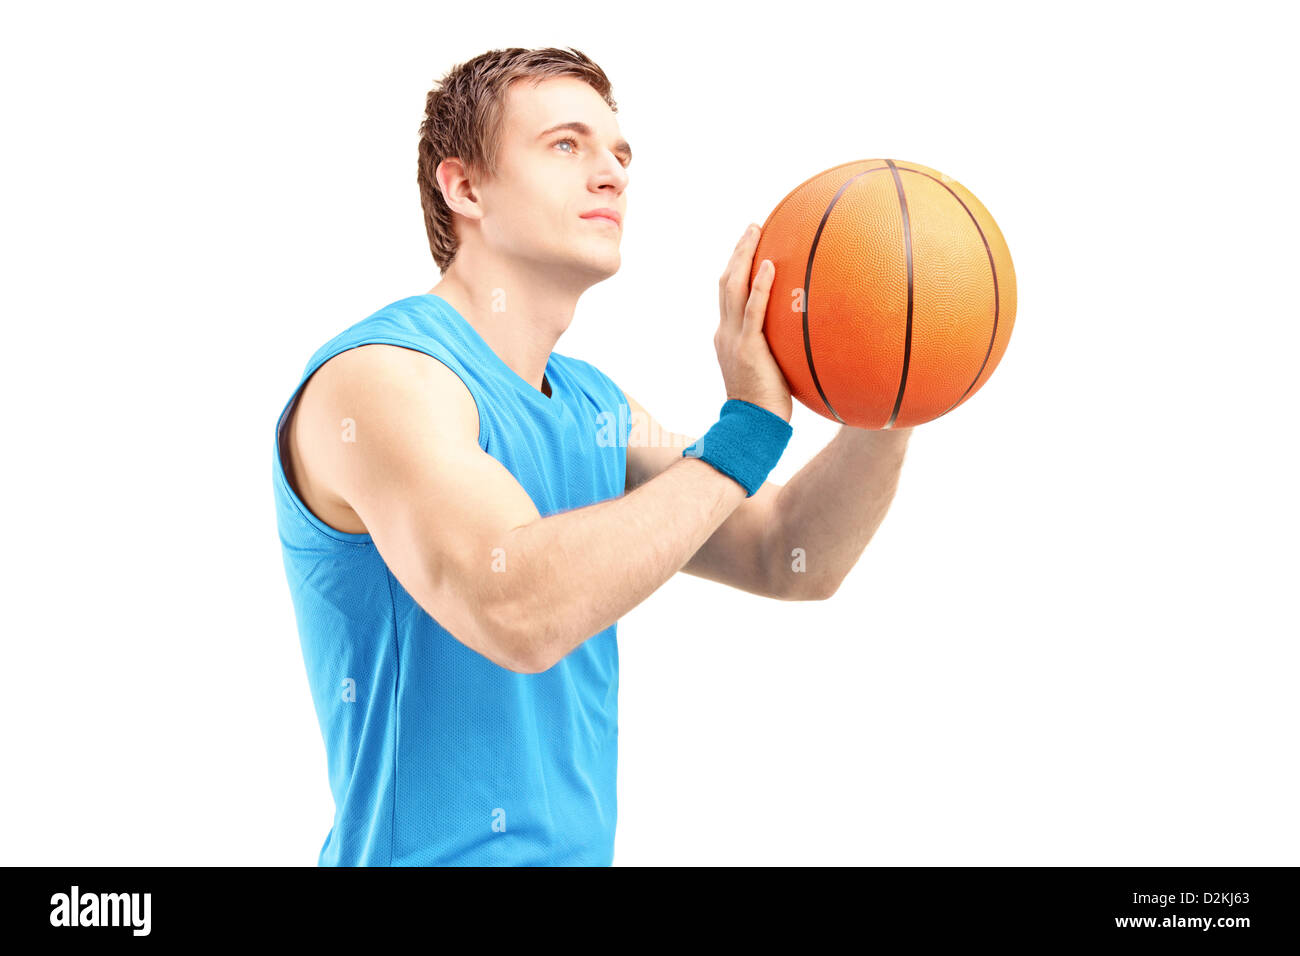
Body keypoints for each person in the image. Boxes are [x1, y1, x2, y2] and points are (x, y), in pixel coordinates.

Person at [272, 46, 912, 866]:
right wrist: (747, 427)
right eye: (566, 145)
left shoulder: (590, 404)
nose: (612, 174)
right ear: (465, 187)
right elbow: (516, 610)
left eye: (619, 153)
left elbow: (789, 553)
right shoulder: (381, 381)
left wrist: (895, 390)